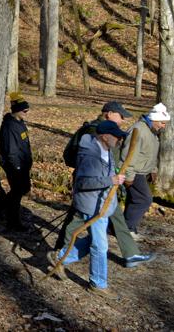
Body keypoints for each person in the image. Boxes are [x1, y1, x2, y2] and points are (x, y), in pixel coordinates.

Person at [55, 102, 155, 267]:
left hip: (107, 183)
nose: (122, 120)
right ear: (109, 113)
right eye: (120, 116)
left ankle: (131, 254)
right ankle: (61, 254)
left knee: (115, 216)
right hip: (91, 185)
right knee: (77, 219)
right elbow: (85, 160)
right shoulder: (95, 131)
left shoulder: (107, 130)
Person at [47, 120, 127, 300]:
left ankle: (59, 257)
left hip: (103, 204)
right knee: (100, 245)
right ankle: (98, 284)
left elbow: (108, 174)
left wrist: (117, 178)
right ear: (105, 136)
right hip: (92, 205)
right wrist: (110, 181)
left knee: (95, 240)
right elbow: (82, 183)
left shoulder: (107, 151)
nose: (119, 139)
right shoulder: (90, 155)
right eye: (116, 136)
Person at [122, 102, 170, 240]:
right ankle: (128, 229)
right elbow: (128, 154)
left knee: (134, 199)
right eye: (162, 122)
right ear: (154, 119)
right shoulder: (138, 130)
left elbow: (150, 153)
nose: (163, 126)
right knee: (144, 199)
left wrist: (153, 169)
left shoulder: (152, 132)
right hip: (134, 172)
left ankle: (124, 228)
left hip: (143, 172)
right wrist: (129, 176)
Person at [0, 92, 33, 231]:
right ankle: (13, 222)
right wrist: (17, 167)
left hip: (23, 164)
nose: (26, 112)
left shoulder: (20, 122)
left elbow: (24, 144)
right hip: (14, 165)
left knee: (22, 189)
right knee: (17, 193)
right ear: (16, 110)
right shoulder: (9, 126)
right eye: (24, 110)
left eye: (27, 110)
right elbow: (10, 150)